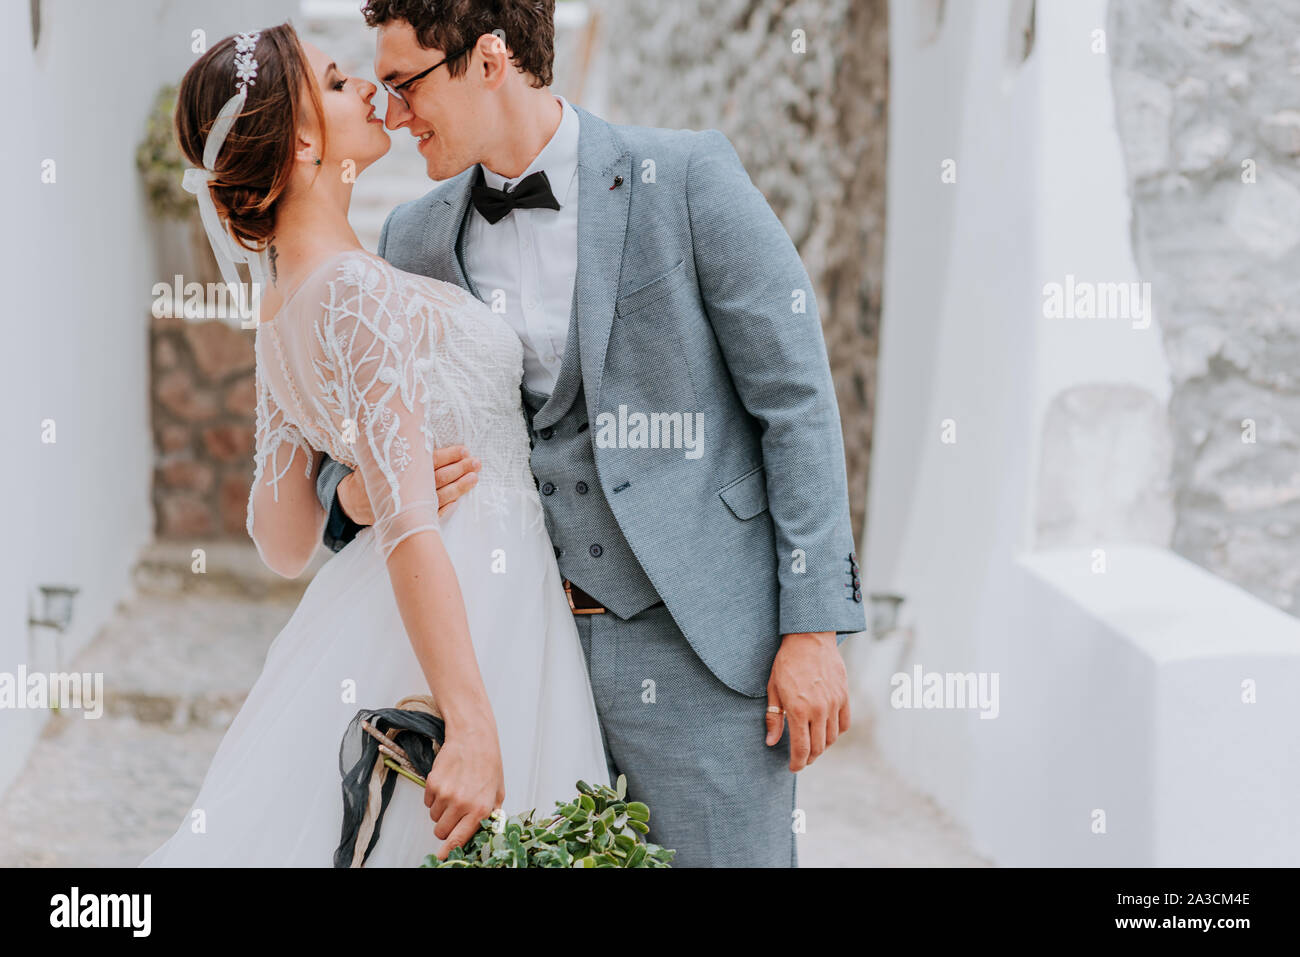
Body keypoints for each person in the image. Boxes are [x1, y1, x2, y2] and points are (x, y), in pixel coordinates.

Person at [314, 0, 866, 867]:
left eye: (404, 83)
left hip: (703, 653)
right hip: (521, 658)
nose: (390, 111)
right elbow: (337, 438)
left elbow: (794, 399)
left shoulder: (686, 177)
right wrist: (347, 491)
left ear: (489, 60)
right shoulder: (412, 238)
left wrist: (815, 628)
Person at [142, 22, 607, 867]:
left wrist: (352, 495)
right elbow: (411, 528)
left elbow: (283, 540)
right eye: (332, 80)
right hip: (466, 612)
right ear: (300, 142)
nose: (365, 87)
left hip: (383, 618)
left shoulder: (283, 304)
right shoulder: (355, 288)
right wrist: (467, 722)